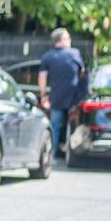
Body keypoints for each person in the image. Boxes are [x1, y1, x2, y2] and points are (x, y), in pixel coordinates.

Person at [38, 28, 85, 162]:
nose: (70, 41)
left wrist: (43, 95)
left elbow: (42, 78)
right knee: (73, 126)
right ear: (62, 40)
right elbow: (82, 74)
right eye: (68, 38)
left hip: (56, 98)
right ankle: (71, 155)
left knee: (55, 127)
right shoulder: (75, 53)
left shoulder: (48, 56)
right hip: (74, 98)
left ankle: (51, 155)